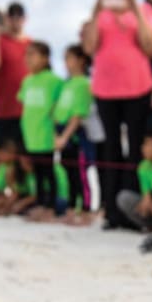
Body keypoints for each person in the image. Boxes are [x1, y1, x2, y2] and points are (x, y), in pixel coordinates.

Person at [86, 0, 152, 229]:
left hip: (137, 85)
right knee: (110, 148)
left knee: (136, 148)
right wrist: (96, 12)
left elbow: (149, 45)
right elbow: (90, 46)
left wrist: (135, 11)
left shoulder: (145, 9)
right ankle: (112, 211)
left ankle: (133, 211)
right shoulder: (101, 13)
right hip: (105, 88)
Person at [18, 41, 63, 215]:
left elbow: (59, 107)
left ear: (45, 58)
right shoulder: (27, 80)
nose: (28, 59)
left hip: (46, 134)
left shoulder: (54, 80)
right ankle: (40, 203)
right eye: (26, 55)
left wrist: (57, 132)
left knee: (48, 171)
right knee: (36, 172)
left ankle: (51, 206)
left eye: (33, 54)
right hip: (30, 135)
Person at [54, 45, 95, 221]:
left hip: (77, 134)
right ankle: (71, 206)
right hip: (62, 131)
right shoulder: (67, 83)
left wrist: (65, 136)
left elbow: (78, 114)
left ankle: (85, 208)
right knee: (68, 170)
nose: (66, 63)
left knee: (81, 173)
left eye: (69, 58)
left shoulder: (84, 83)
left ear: (81, 60)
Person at [0, 2, 29, 150]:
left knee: (26, 157)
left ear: (25, 18)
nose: (15, 20)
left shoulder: (31, 44)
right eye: (12, 16)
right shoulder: (0, 41)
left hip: (27, 110)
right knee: (3, 155)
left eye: (19, 16)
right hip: (4, 109)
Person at [0, 139, 36, 214]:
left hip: (34, 198)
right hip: (20, 197)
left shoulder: (31, 173)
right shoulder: (8, 168)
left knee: (13, 206)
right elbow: (13, 192)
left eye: (0, 153)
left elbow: (35, 196)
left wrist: (17, 204)